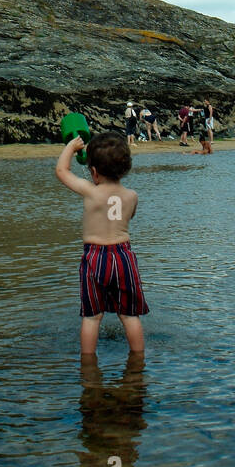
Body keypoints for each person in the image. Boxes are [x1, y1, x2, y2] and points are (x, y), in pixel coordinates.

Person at [55, 132, 149, 355]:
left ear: (94, 173)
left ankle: (88, 363)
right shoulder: (132, 196)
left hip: (95, 257)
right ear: (125, 169)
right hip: (123, 256)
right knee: (129, 315)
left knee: (92, 317)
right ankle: (138, 360)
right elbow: (128, 217)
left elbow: (62, 171)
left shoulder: (91, 191)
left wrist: (70, 147)